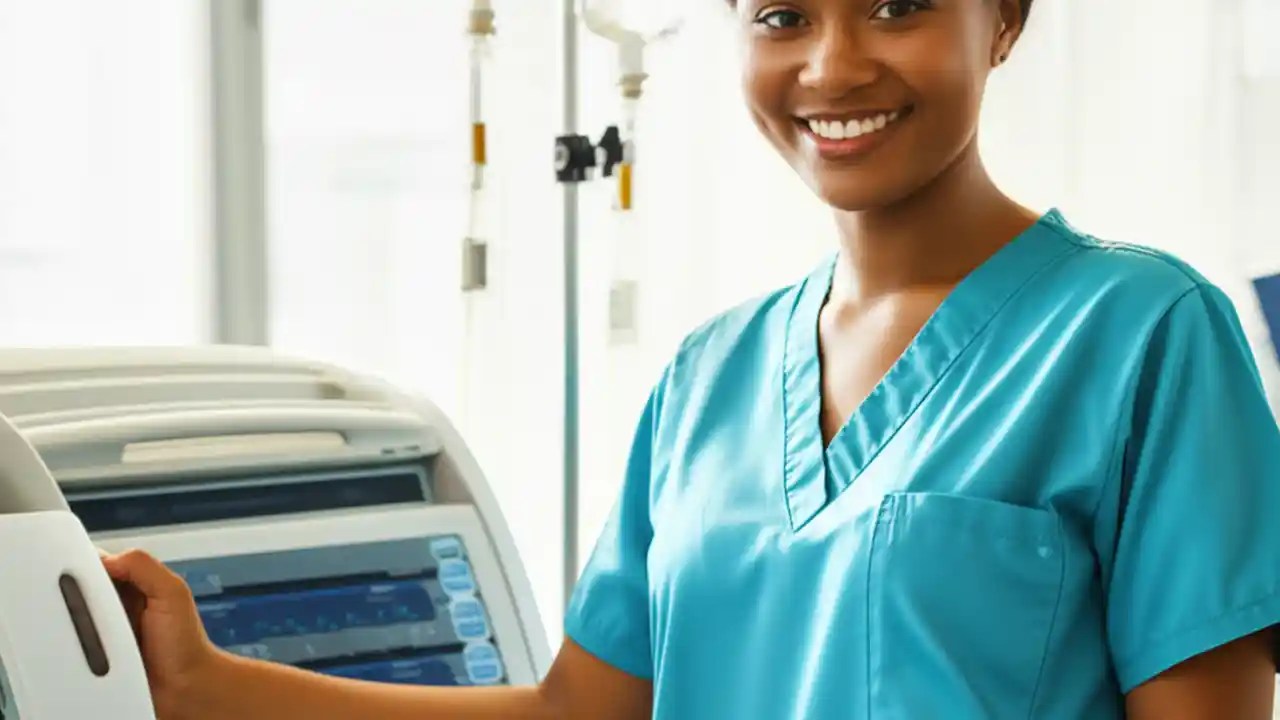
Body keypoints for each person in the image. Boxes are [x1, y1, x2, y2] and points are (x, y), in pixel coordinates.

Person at [103, 0, 1280, 718]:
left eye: (897, 4)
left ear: (1004, 20)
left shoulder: (1142, 334)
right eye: (780, 17)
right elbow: (583, 718)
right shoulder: (706, 377)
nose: (831, 67)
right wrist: (202, 683)